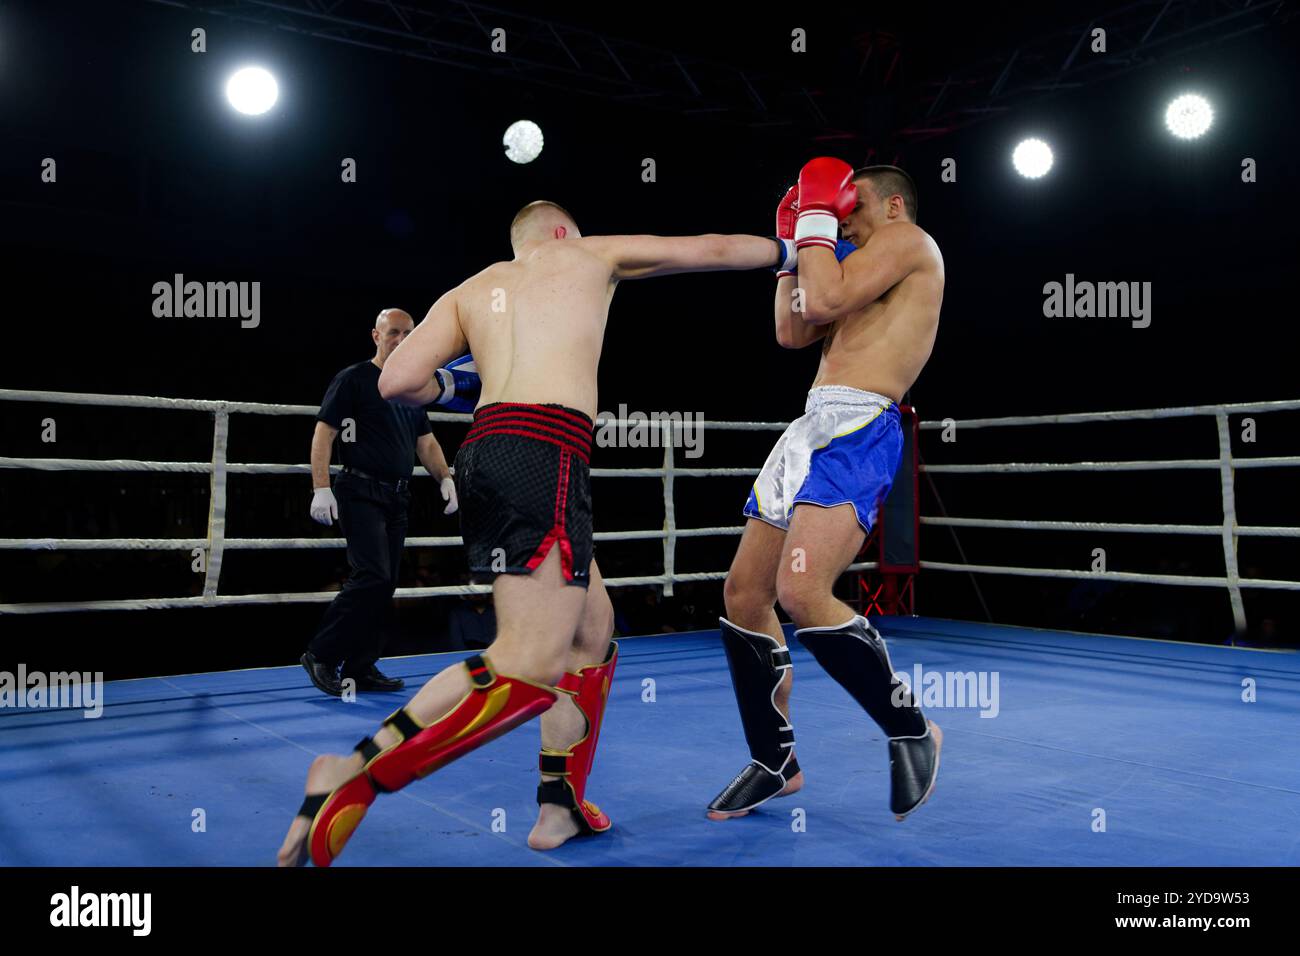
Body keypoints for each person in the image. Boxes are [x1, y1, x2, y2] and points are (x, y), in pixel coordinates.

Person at [277, 202, 783, 865]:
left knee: (591, 632)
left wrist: (464, 382)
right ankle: (353, 774)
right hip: (544, 449)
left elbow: (397, 379)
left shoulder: (471, 290)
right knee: (530, 661)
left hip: (488, 451)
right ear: (564, 231)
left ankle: (558, 804)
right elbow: (713, 247)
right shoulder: (589, 254)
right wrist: (800, 247)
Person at [708, 161, 946, 822]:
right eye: (836, 210)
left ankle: (911, 727)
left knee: (801, 592)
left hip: (859, 425)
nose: (846, 217)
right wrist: (791, 249)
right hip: (810, 426)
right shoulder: (848, 259)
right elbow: (793, 329)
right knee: (744, 594)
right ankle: (774, 759)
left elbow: (829, 302)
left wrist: (811, 224)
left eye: (855, 206)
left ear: (893, 203)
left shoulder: (909, 241)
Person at [300, 308, 458, 698]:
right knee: (370, 576)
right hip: (360, 491)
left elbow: (426, 441)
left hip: (398, 495)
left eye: (409, 334)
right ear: (376, 335)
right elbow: (324, 433)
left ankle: (360, 666)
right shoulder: (354, 378)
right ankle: (321, 653)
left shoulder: (410, 388)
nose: (401, 340)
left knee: (385, 583)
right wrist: (320, 486)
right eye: (394, 333)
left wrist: (446, 478)